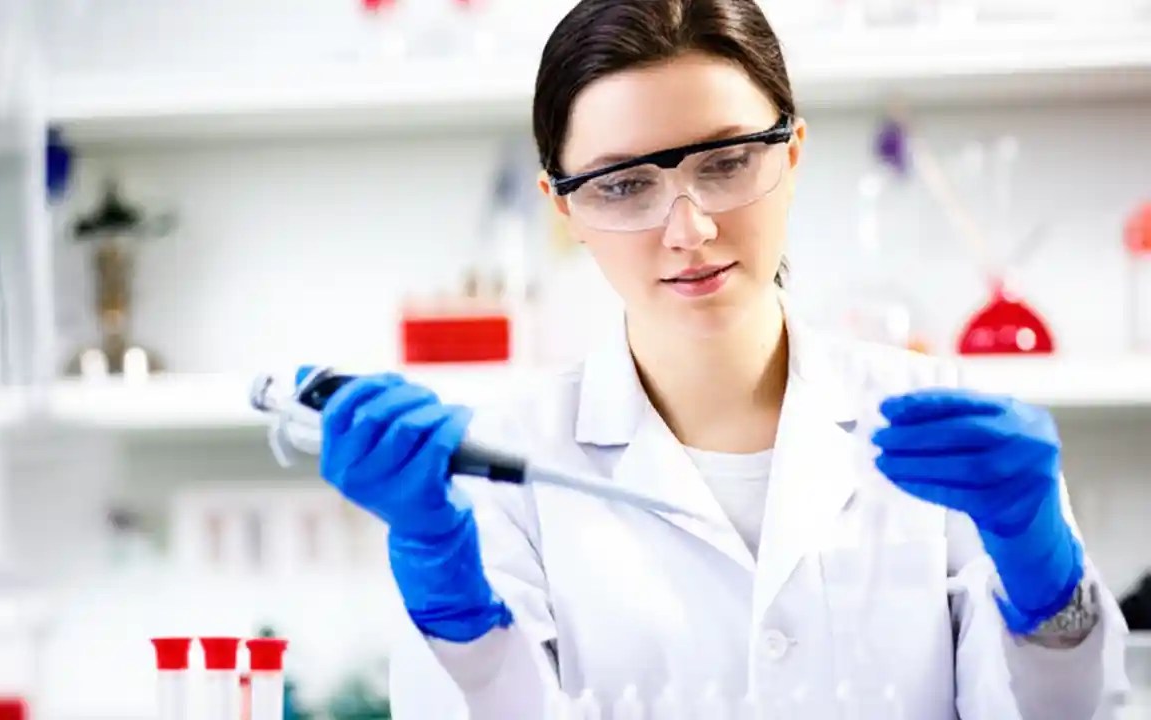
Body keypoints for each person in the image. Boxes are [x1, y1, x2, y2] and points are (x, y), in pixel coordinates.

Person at [303, 1, 1131, 717]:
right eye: (624, 184)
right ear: (564, 207)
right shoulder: (505, 463)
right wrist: (451, 607)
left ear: (793, 153)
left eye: (727, 162)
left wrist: (1043, 569)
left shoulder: (939, 423)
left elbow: (1065, 714)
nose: (688, 229)